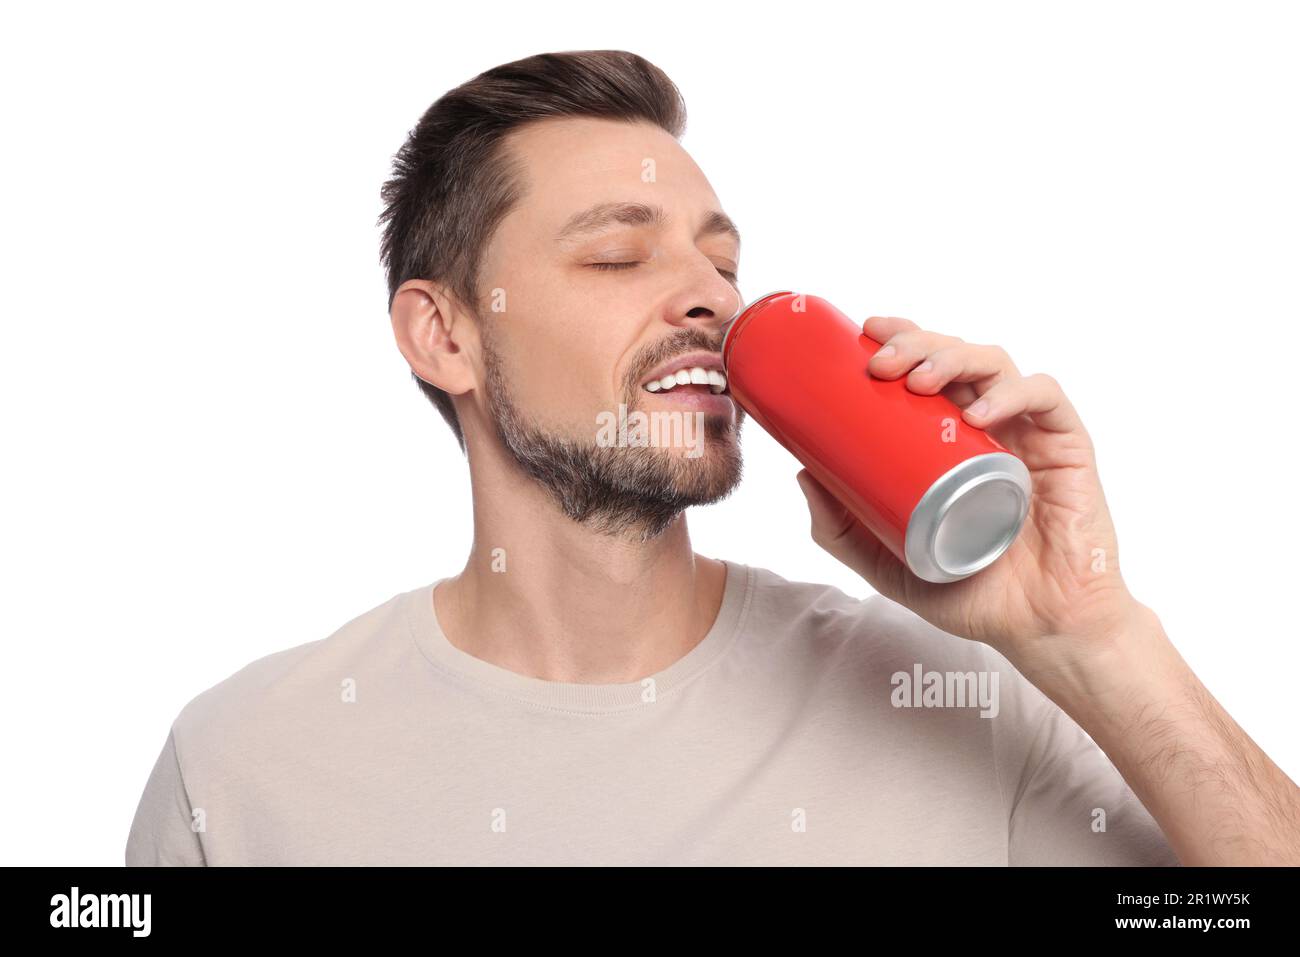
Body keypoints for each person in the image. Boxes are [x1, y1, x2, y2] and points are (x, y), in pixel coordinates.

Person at [126, 49, 1299, 866]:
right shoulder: (245, 764)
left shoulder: (959, 704)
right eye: (617, 257)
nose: (711, 300)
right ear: (446, 335)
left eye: (721, 261)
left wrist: (1087, 635)